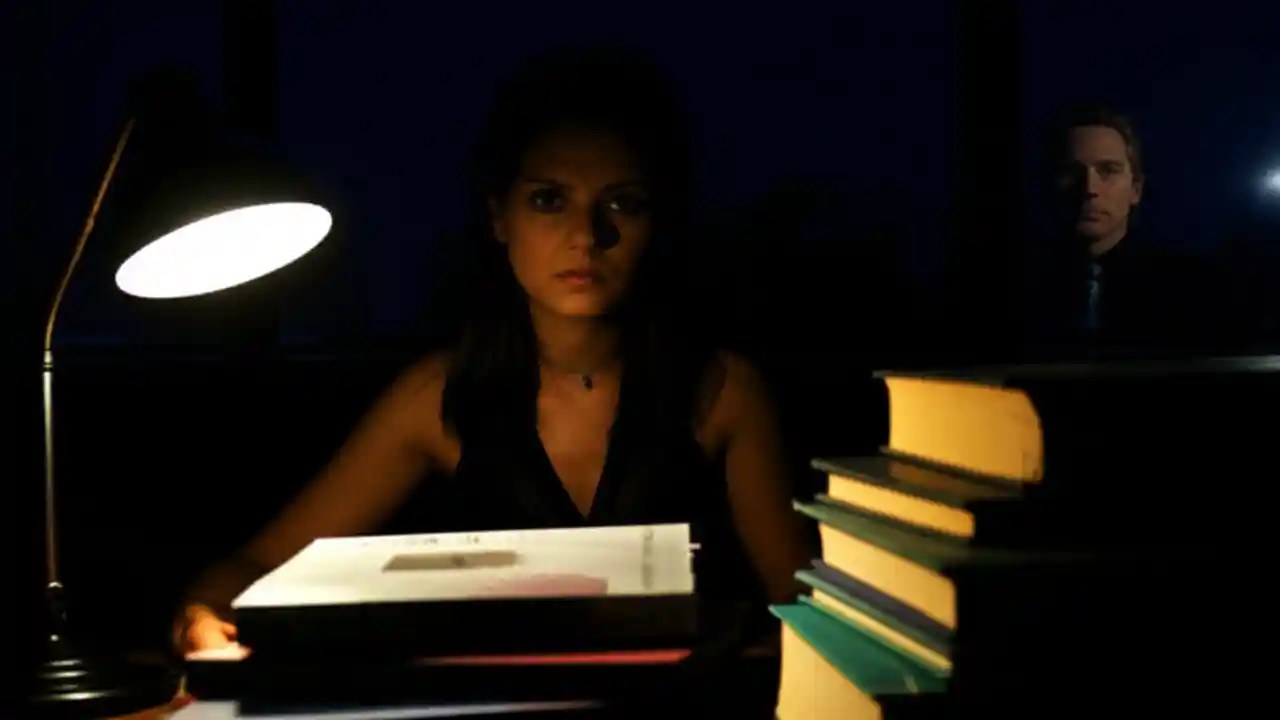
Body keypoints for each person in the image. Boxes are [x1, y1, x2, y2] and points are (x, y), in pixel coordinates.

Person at [173, 47, 812, 656]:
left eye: (623, 202)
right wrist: (201, 618)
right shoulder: (441, 396)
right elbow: (257, 564)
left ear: (660, 221)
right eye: (548, 200)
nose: (587, 236)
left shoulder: (722, 391)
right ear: (500, 217)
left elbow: (809, 612)